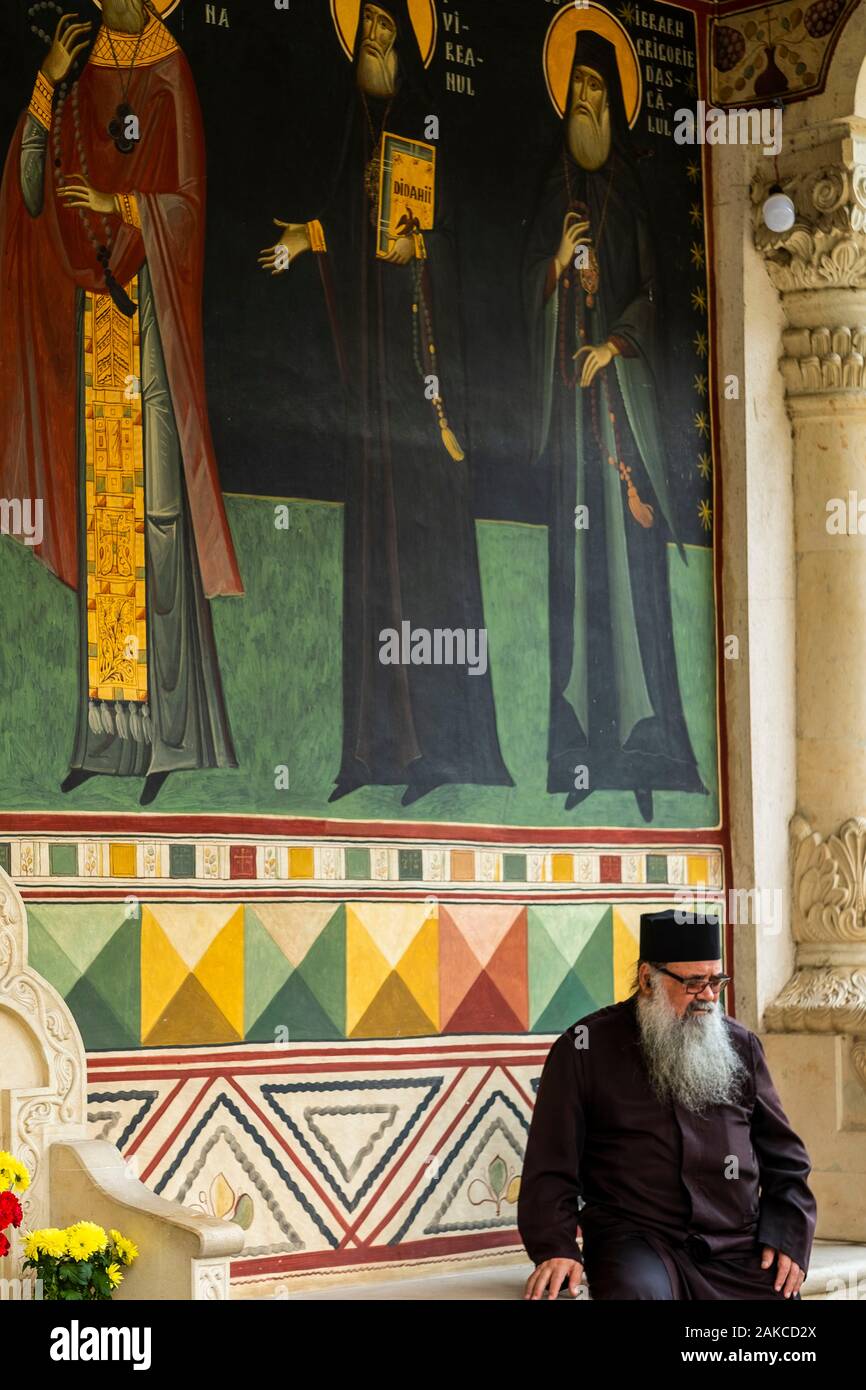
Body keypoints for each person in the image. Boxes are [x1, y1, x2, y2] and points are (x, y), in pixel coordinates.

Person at [259, 1, 512, 807]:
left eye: (386, 40)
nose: (375, 50)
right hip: (375, 395)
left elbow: (462, 240)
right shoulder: (351, 127)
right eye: (364, 38)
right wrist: (308, 239)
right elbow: (345, 216)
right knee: (377, 560)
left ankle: (442, 746)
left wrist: (421, 247)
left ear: (405, 50)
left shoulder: (429, 126)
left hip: (425, 389)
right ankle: (376, 749)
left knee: (430, 566)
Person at [0, 0, 242, 805]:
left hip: (151, 325)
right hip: (93, 324)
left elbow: (189, 206)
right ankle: (110, 740)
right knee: (110, 529)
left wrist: (122, 209)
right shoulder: (76, 67)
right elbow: (31, 195)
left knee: (160, 525)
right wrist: (47, 82)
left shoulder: (170, 70)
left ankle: (174, 739)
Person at [523, 30, 706, 822]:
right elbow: (523, 300)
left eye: (600, 88)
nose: (588, 100)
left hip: (621, 427)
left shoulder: (627, 193)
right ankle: (581, 751)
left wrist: (614, 343)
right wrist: (557, 265)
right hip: (574, 438)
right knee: (577, 584)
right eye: (579, 88)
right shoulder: (550, 192)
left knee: (631, 590)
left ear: (614, 103)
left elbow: (655, 300)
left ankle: (645, 745)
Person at [518, 909, 817, 1300]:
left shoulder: (741, 1047)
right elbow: (550, 1167)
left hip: (733, 1247)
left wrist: (786, 1234)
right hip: (638, 1242)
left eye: (716, 981)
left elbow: (786, 1159)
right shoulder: (584, 1049)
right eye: (694, 983)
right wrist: (556, 1247)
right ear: (647, 979)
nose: (709, 996)